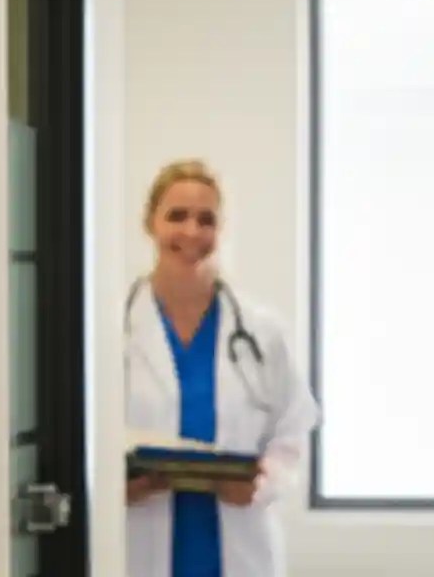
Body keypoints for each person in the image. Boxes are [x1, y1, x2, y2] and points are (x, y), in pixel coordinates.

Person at [125, 159, 319, 577]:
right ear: (150, 223)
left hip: (239, 548)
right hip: (136, 544)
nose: (191, 232)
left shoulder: (263, 333)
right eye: (176, 216)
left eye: (206, 220)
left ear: (221, 229)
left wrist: (262, 484)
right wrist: (113, 487)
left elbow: (293, 432)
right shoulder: (111, 332)